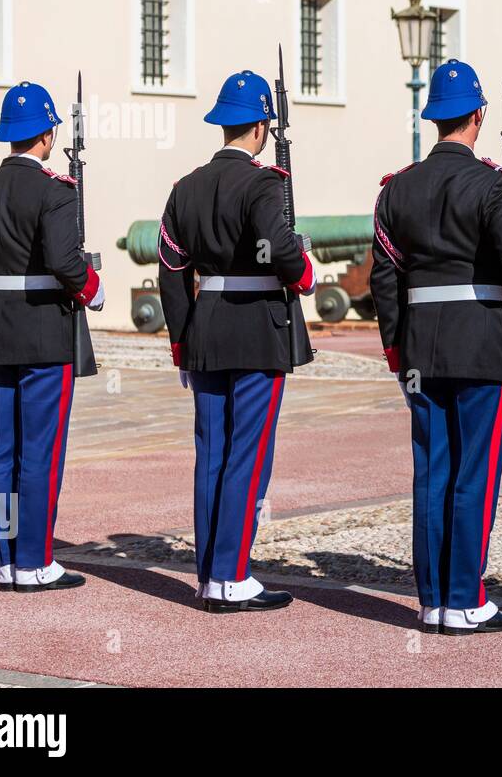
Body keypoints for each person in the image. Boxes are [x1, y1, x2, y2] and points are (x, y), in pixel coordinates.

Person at [370, 59, 502, 636]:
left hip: (421, 346)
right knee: (475, 472)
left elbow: (384, 279)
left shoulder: (398, 189)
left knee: (432, 471)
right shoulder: (496, 185)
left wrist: (397, 347)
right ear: (478, 116)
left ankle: (433, 600)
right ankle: (465, 598)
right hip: (480, 343)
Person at [157, 71, 317, 613]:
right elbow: (277, 247)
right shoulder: (264, 183)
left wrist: (182, 340)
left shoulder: (185, 187)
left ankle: (210, 573)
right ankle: (231, 575)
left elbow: (172, 270)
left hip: (206, 327)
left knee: (212, 456)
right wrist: (304, 273)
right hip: (255, 329)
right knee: (246, 454)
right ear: (262, 127)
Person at [0, 81, 106, 592]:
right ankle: (35, 562)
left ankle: (4, 559)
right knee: (40, 450)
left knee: (0, 450)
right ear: (47, 135)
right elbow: (63, 262)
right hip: (44, 332)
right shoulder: (57, 192)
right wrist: (92, 289)